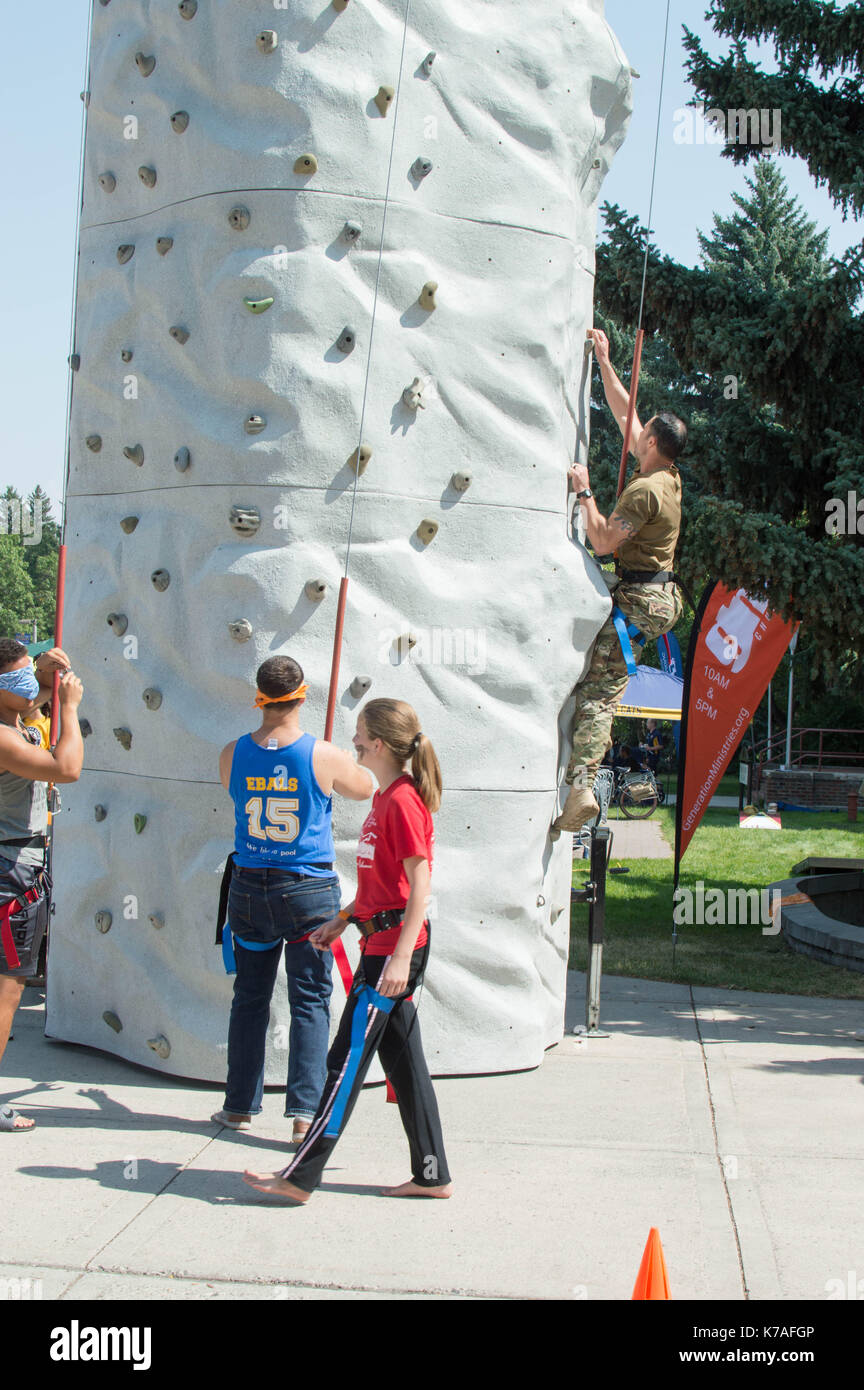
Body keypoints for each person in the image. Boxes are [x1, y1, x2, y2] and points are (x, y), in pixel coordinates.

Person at [243, 698, 452, 1203]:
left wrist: (400, 959)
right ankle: (432, 1175)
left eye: (358, 733)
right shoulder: (384, 798)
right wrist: (344, 918)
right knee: (405, 1065)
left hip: (392, 956)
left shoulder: (401, 801)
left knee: (343, 1063)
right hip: (379, 943)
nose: (352, 740)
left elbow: (419, 887)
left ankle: (299, 1178)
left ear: (378, 743)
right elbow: (383, 888)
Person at [215, 656, 373, 1142]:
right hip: (307, 890)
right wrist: (347, 757)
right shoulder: (321, 755)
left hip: (249, 887)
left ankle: (240, 1105)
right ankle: (304, 1113)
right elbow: (365, 788)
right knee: (309, 999)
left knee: (250, 997)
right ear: (303, 696)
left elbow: (235, 794)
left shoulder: (231, 753)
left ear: (258, 697)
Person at [554, 327, 686, 832]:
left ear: (652, 444)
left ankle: (581, 788)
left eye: (643, 431)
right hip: (652, 590)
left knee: (601, 689)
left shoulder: (645, 491)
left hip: (642, 598)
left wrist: (585, 492)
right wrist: (606, 362)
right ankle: (582, 779)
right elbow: (626, 413)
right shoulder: (667, 475)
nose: (637, 431)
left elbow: (604, 541)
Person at [0, 639, 83, 1132]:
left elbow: (19, 708)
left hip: (14, 860)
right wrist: (67, 708)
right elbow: (65, 768)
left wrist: (38, 681)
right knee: (8, 987)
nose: (28, 681)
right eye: (20, 674)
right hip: (10, 867)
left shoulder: (12, 719)